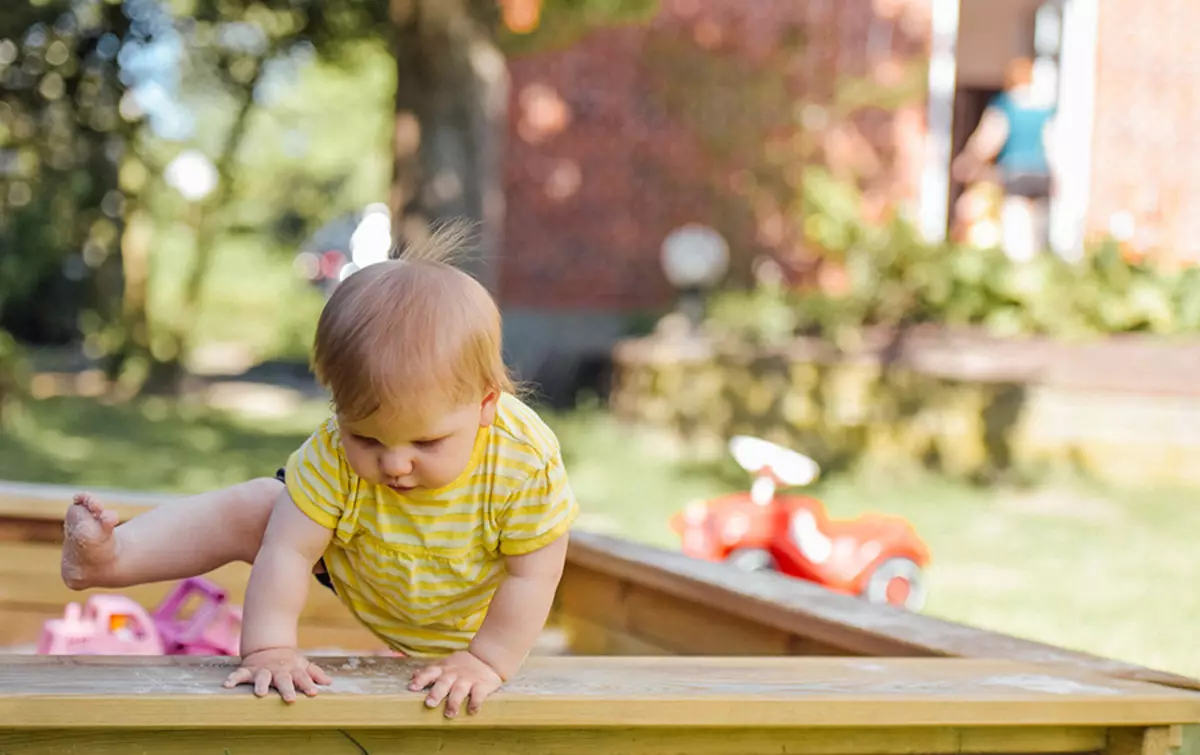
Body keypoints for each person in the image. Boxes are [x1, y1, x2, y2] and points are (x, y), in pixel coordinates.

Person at [59, 222, 580, 718]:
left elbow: (534, 573)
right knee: (261, 508)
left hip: (472, 608)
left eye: (427, 441)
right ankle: (112, 558)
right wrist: (269, 649)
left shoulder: (521, 461)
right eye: (367, 438)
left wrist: (486, 660)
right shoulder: (331, 452)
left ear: (486, 405)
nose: (395, 464)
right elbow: (287, 552)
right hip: (367, 562)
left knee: (512, 592)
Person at [952, 57, 1057, 261]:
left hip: (1015, 170)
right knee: (1039, 228)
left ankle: (1018, 270)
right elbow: (1052, 143)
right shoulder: (1044, 108)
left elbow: (989, 138)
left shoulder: (1007, 105)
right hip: (1041, 172)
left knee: (1016, 227)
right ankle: (1038, 266)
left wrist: (970, 159)